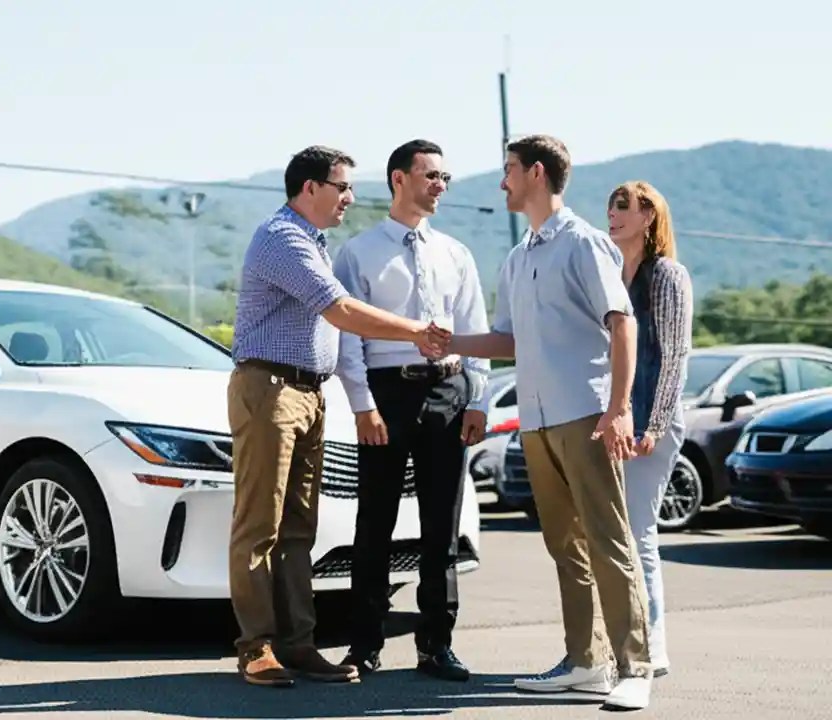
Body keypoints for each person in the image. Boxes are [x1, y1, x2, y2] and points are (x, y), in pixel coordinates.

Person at [438, 134, 653, 710]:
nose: (502, 180)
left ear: (536, 173)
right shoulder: (517, 256)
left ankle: (634, 667)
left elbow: (621, 324)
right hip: (535, 420)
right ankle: (586, 662)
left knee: (609, 542)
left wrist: (620, 407)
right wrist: (448, 342)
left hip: (586, 414)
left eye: (508, 170)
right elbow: (510, 339)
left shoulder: (584, 244)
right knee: (565, 547)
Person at [228, 144, 449, 688]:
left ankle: (297, 645)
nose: (350, 197)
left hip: (307, 392)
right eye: (342, 186)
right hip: (271, 389)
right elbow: (341, 310)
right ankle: (256, 647)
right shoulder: (282, 238)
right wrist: (417, 332)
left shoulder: (315, 242)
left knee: (299, 528)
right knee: (260, 525)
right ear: (310, 188)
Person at [331, 139, 491, 681]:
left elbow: (472, 331)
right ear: (399, 179)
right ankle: (364, 645)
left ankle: (437, 644)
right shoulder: (359, 252)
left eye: (445, 177)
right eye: (430, 175)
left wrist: (478, 398)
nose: (440, 185)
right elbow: (348, 334)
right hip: (386, 393)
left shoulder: (456, 254)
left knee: (440, 526)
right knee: (373, 522)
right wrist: (362, 405)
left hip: (447, 393)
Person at [607, 180, 693, 678]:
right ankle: (619, 643)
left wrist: (655, 424)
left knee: (639, 533)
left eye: (624, 208)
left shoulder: (667, 276)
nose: (613, 215)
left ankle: (653, 645)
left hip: (651, 424)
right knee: (615, 536)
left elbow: (674, 356)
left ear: (649, 218)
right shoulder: (609, 274)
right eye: (611, 207)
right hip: (614, 421)